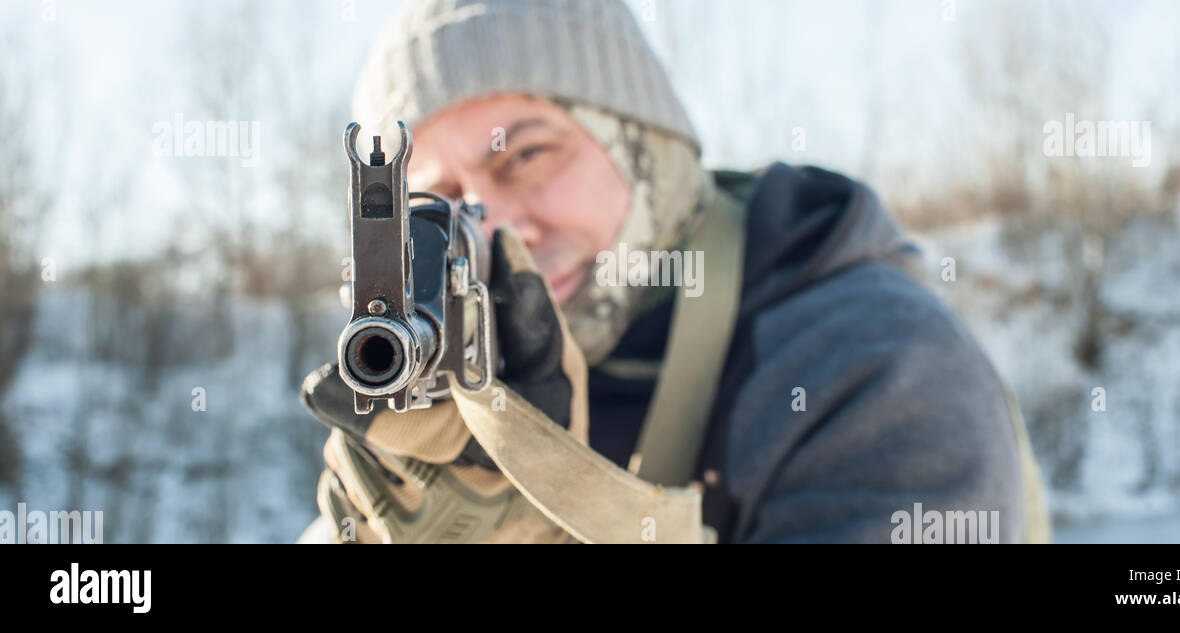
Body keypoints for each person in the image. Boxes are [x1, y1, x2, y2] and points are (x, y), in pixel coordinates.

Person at [297, 0, 1049, 544]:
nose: (495, 226)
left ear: (647, 144)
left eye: (525, 155)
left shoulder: (872, 365)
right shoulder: (442, 392)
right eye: (444, 204)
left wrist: (548, 520)